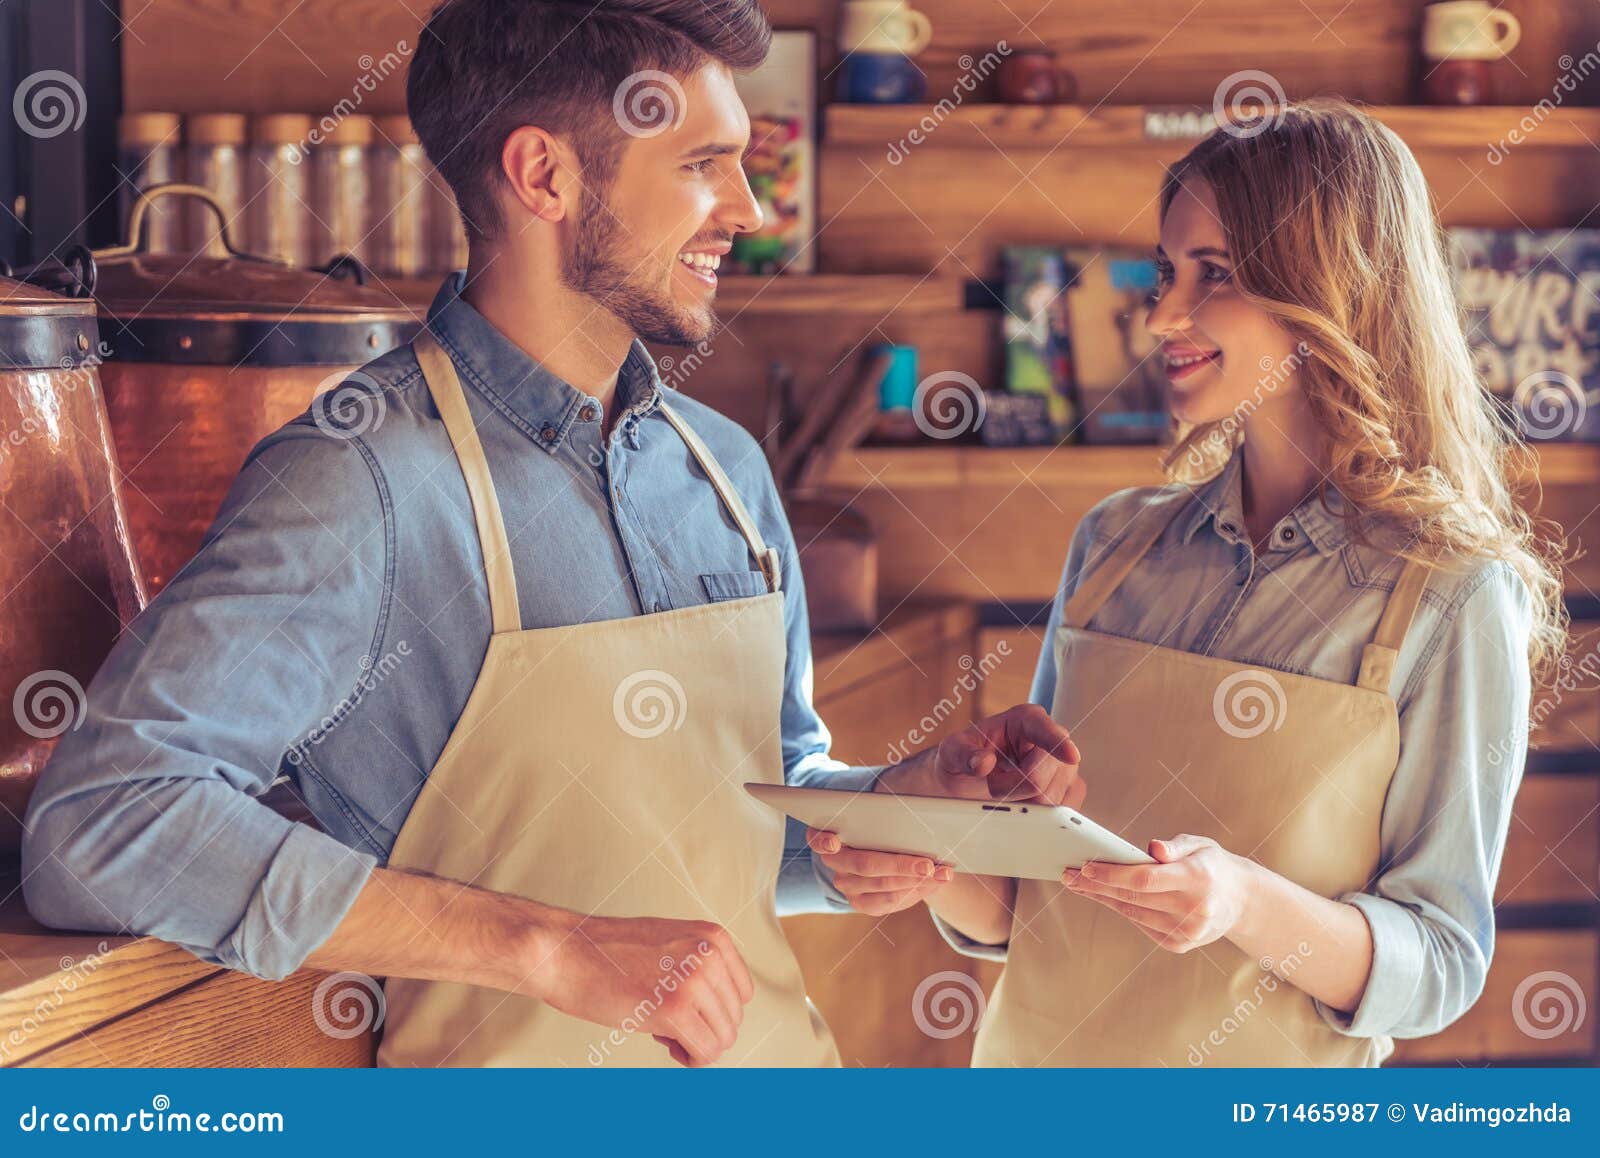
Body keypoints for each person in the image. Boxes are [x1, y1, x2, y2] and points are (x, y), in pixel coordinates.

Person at [20, 0, 1081, 1068]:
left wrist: (899, 806)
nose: (746, 208)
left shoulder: (723, 471)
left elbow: (752, 806)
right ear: (544, 178)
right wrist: (544, 948)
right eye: (704, 165)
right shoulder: (360, 481)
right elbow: (106, 822)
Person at [814, 98, 1562, 1066]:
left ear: (1330, 287)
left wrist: (1242, 903)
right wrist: (928, 853)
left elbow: (1440, 964)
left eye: (1214, 275)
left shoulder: (1452, 593)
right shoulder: (1113, 545)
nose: (1161, 314)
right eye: (1168, 273)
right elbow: (1035, 905)